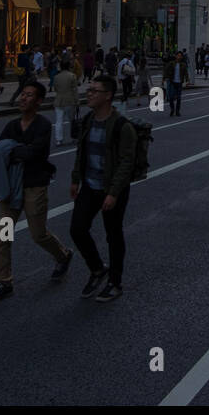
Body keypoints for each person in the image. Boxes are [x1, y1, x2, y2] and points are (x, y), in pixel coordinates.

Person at [0, 81, 73, 303]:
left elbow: (36, 154)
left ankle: (63, 255)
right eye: (22, 94)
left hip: (35, 186)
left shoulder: (42, 125)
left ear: (39, 101)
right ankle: (4, 282)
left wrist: (13, 151)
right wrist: (18, 151)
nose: (23, 98)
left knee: (38, 234)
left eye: (29, 95)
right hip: (10, 189)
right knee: (4, 235)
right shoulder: (12, 126)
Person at [68, 74, 137, 302]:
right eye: (89, 90)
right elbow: (81, 152)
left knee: (113, 235)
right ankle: (97, 268)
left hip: (111, 188)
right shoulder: (88, 120)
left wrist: (114, 192)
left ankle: (115, 282)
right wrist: (75, 178)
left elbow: (127, 162)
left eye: (94, 91)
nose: (89, 93)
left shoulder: (121, 125)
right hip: (89, 185)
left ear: (108, 96)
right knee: (77, 229)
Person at [52, 60, 79, 145]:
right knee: (72, 120)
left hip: (58, 100)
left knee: (59, 121)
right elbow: (75, 90)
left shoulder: (56, 77)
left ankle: (59, 139)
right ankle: (74, 137)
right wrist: (77, 101)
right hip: (70, 100)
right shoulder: (72, 76)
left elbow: (55, 89)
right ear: (69, 66)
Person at [166, 51, 189, 116]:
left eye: (180, 56)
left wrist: (187, 81)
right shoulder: (172, 63)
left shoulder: (183, 64)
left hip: (179, 83)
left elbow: (186, 73)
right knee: (171, 97)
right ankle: (172, 109)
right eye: (178, 55)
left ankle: (177, 111)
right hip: (172, 82)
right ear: (176, 56)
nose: (179, 57)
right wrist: (165, 77)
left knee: (179, 98)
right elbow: (166, 70)